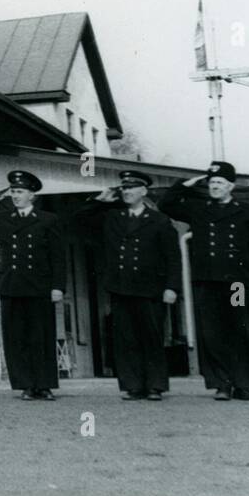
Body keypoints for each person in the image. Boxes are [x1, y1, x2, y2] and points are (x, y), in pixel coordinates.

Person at [158, 161, 249, 401]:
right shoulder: (198, 208)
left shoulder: (247, 211)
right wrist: (185, 183)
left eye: (220, 182)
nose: (214, 186)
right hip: (206, 281)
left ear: (230, 186)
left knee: (240, 329)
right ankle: (221, 384)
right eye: (211, 182)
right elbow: (166, 204)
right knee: (211, 333)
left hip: (237, 282)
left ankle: (243, 384)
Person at [74, 170, 181, 400]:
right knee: (126, 338)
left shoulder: (159, 220)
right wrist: (99, 201)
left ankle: (155, 386)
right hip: (121, 287)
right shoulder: (113, 217)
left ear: (144, 191)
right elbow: (79, 219)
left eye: (132, 188)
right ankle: (132, 385)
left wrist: (172, 287)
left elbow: (173, 257)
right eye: (124, 188)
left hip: (150, 289)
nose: (127, 192)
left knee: (151, 337)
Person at [0, 170, 65, 400]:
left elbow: (57, 256)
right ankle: (26, 385)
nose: (15, 195)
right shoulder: (2, 218)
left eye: (20, 191)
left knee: (41, 336)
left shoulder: (48, 219)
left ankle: (44, 384)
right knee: (16, 337)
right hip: (12, 285)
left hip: (40, 286)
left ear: (33, 195)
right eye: (13, 191)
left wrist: (58, 286)